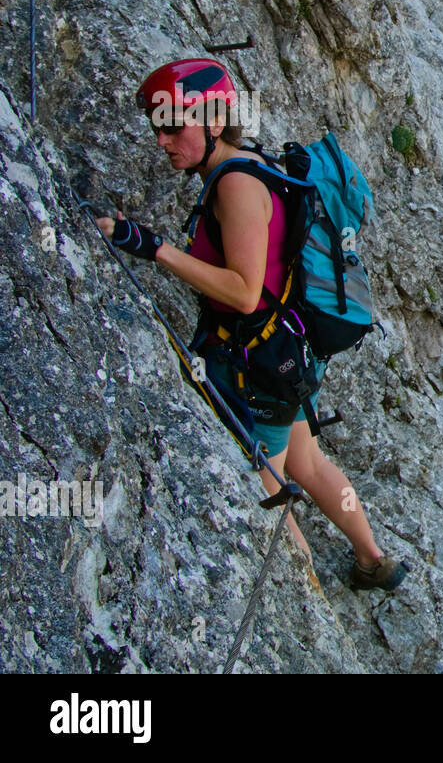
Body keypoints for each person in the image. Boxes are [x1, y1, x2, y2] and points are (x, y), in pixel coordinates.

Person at [98, 58, 407, 591]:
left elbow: (243, 293)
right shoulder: (247, 165)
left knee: (269, 498)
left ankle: (310, 615)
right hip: (286, 353)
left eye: (174, 126)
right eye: (158, 128)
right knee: (306, 462)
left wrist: (153, 248)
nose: (162, 141)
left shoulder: (235, 186)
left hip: (259, 366)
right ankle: (373, 559)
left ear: (213, 122)